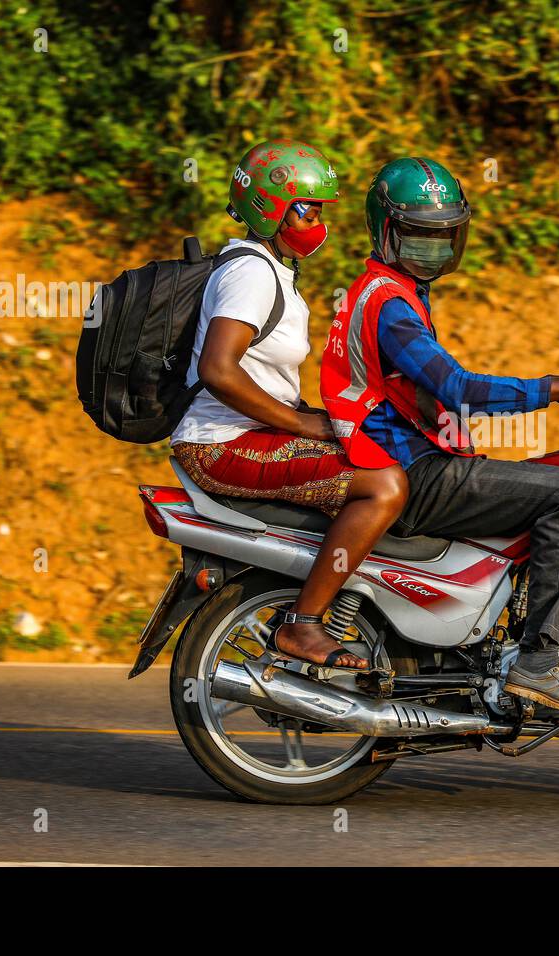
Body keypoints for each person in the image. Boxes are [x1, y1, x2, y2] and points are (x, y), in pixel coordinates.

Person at [321, 157, 559, 714]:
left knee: (540, 476)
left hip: (409, 456)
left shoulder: (394, 290)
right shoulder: (389, 303)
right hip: (411, 470)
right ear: (386, 231)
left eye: (443, 234)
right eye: (419, 233)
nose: (433, 246)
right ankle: (538, 663)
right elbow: (458, 388)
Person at [171, 140, 408, 671]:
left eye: (320, 209)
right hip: (220, 444)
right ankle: (303, 625)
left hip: (249, 434)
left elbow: (264, 376)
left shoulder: (274, 270)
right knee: (384, 484)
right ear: (270, 208)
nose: (317, 221)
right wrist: (302, 422)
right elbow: (218, 369)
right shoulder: (250, 273)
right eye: (306, 207)